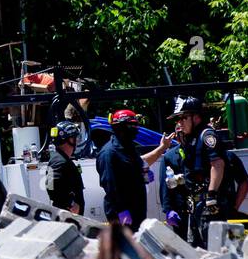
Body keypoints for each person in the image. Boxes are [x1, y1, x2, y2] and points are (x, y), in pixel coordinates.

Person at [158, 96, 228, 247]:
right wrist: (181, 179)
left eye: (183, 118)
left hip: (209, 203)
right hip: (196, 205)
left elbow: (217, 164)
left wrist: (212, 195)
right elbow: (197, 170)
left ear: (196, 117)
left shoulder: (207, 136)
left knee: (214, 248)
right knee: (197, 248)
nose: (179, 123)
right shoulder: (191, 139)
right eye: (177, 119)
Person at [97, 108, 172, 226]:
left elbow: (141, 163)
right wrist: (122, 212)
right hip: (122, 214)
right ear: (121, 127)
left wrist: (162, 148)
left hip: (136, 210)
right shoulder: (109, 153)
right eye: (132, 126)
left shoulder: (128, 147)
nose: (136, 130)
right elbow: (111, 186)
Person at [44, 121, 85, 213]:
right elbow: (51, 187)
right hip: (66, 215)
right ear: (70, 140)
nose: (77, 141)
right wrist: (70, 203)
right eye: (75, 138)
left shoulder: (61, 158)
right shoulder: (58, 161)